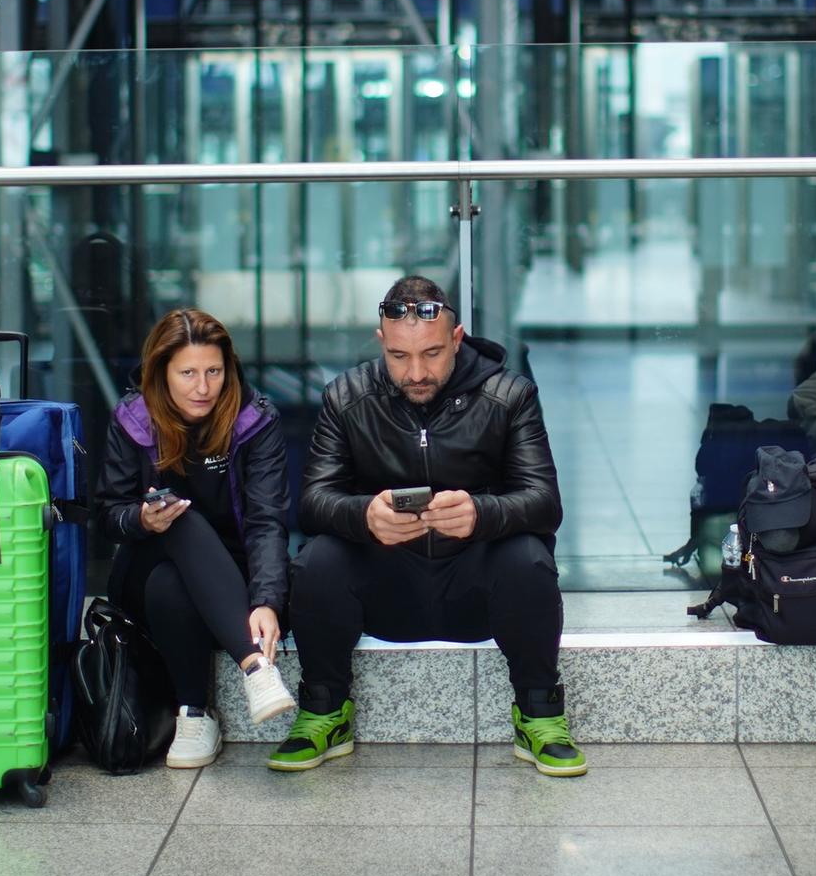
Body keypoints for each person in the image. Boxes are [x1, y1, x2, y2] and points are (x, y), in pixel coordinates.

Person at [272, 275, 584, 776]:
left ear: (457, 339)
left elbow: (544, 502)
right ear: (382, 343)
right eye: (399, 357)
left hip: (476, 587)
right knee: (318, 560)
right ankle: (326, 709)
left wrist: (481, 514)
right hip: (387, 586)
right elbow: (312, 503)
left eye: (432, 354)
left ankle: (539, 711)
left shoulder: (511, 395)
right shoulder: (346, 397)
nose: (416, 372)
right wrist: (364, 516)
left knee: (527, 556)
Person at [96, 307, 296, 767]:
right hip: (140, 575)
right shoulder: (133, 420)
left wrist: (266, 599)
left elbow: (267, 520)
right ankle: (255, 667)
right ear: (161, 372)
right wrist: (143, 522)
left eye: (213, 371)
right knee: (178, 521)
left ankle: (195, 715)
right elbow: (106, 514)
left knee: (175, 578)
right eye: (187, 373)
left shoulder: (254, 420)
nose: (203, 387)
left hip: (229, 579)